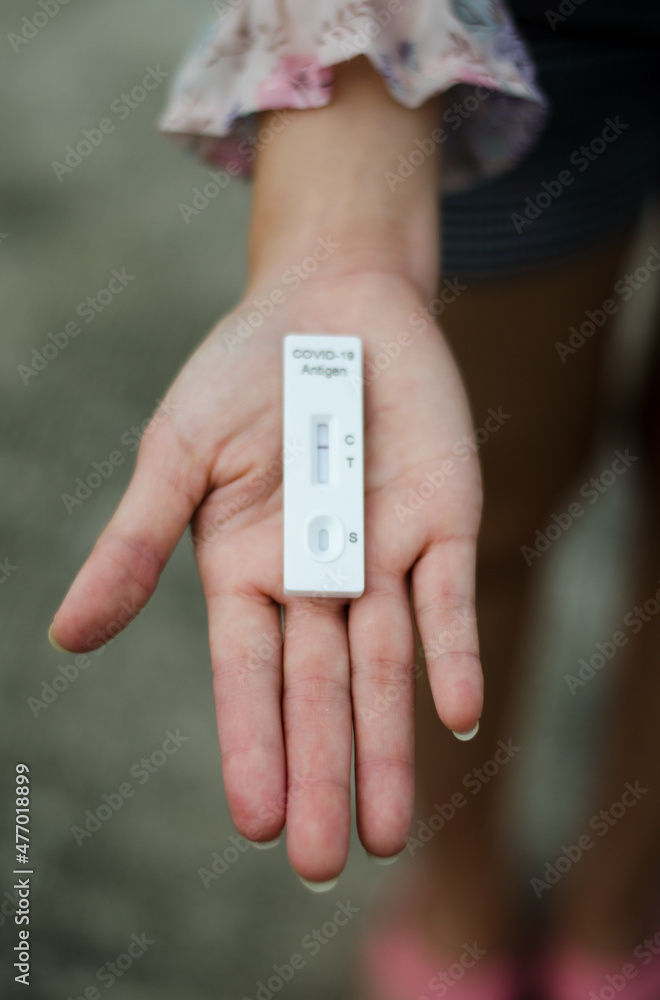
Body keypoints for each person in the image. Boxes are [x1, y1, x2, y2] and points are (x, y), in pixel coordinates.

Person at [49, 2, 660, 997]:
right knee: (467, 524)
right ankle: (464, 897)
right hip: (495, 28)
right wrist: (339, 210)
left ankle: (619, 903)